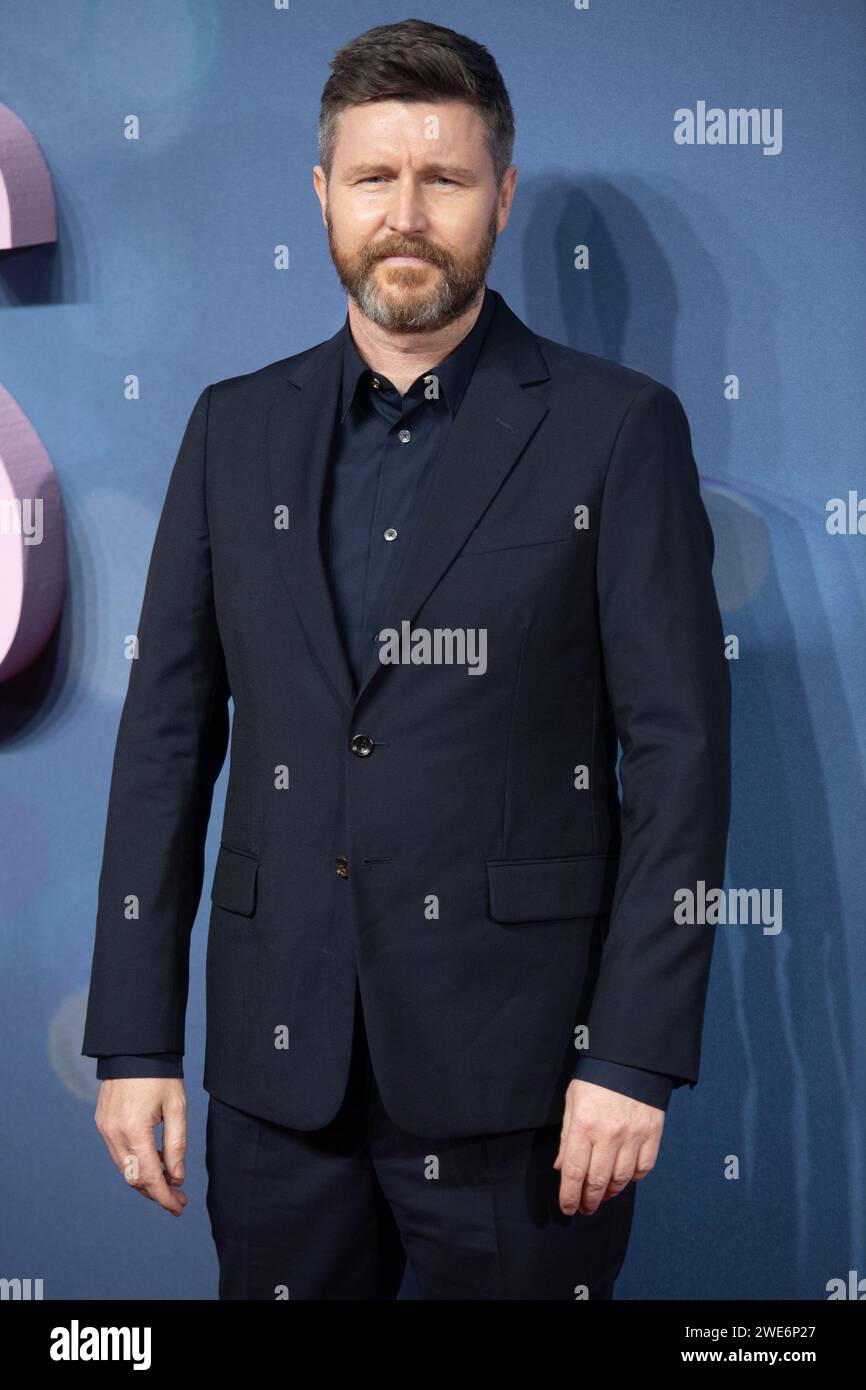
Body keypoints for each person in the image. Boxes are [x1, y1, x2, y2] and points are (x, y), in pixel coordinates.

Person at [82, 17, 731, 1300]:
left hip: (529, 1084)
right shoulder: (230, 433)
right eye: (374, 177)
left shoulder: (613, 433)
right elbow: (165, 747)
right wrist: (133, 1040)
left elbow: (677, 756)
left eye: (444, 178)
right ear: (323, 196)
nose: (407, 213)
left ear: (499, 195)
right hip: (280, 1083)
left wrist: (631, 1057)